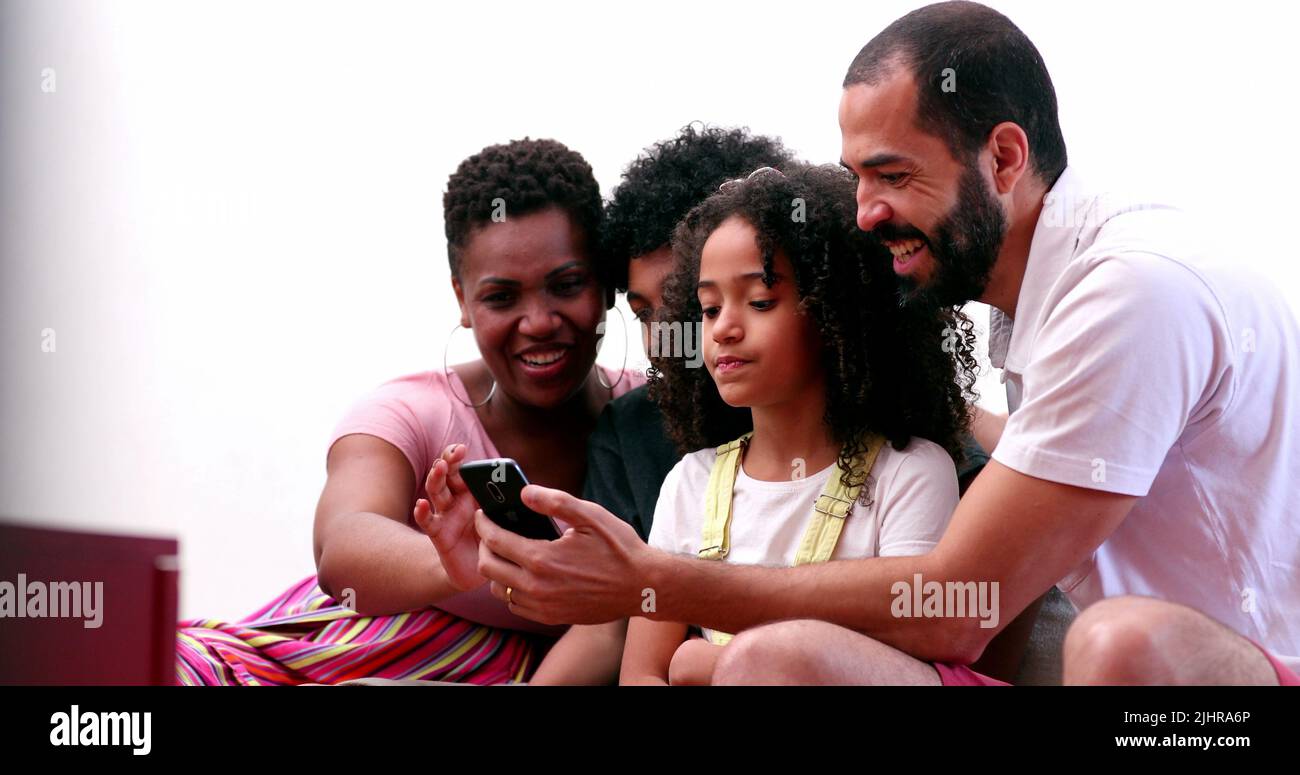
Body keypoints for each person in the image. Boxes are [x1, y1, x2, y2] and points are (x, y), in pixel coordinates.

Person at [467, 1, 1300, 686]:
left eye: (893, 176)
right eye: (856, 176)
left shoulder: (1126, 292)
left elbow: (961, 606)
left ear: (1004, 156)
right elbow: (1054, 464)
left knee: (1115, 645)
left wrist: (657, 581)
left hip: (1216, 696)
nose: (864, 213)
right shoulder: (1041, 294)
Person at [175, 138, 643, 685]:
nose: (537, 321)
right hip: (323, 660)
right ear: (462, 300)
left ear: (606, 283)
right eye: (500, 297)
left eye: (566, 285)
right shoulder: (409, 413)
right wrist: (452, 563)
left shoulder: (658, 427)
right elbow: (342, 544)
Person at [618, 163, 981, 685]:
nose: (724, 329)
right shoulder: (690, 482)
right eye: (709, 307)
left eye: (760, 301)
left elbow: (904, 657)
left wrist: (707, 665)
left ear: (837, 312)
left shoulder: (911, 473)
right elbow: (642, 674)